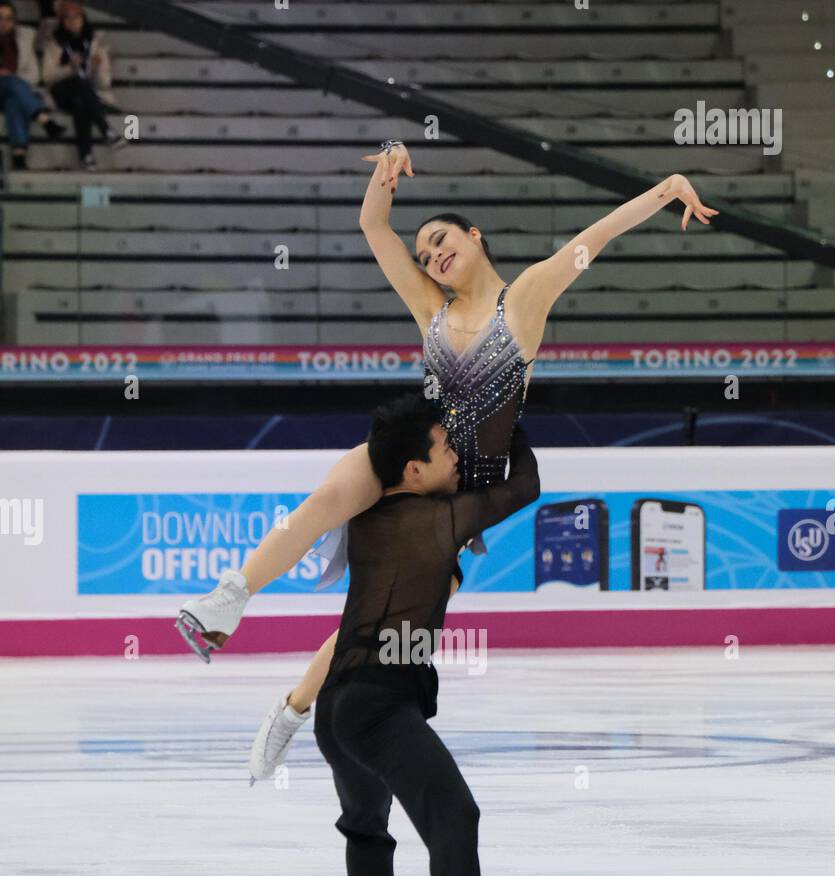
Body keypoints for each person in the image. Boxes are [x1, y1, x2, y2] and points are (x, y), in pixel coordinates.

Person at [177, 140, 717, 773]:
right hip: (411, 447)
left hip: (459, 492)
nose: (433, 255)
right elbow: (373, 227)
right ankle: (228, 597)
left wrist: (665, 190)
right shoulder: (428, 308)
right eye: (426, 253)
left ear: (475, 235)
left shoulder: (524, 299)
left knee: (375, 621)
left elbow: (589, 241)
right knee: (326, 499)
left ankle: (291, 711)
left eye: (442, 240)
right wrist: (389, 166)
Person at [312, 393, 539, 876]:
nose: (458, 454)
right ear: (413, 470)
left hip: (336, 710)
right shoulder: (444, 519)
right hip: (380, 706)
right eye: (446, 448)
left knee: (365, 827)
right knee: (455, 818)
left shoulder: (367, 518)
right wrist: (505, 419)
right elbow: (527, 485)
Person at [41, 1, 121, 169]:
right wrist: (69, 68)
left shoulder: (95, 44)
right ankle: (106, 129)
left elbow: (104, 83)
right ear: (62, 21)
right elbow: (47, 77)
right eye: (67, 18)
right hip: (61, 90)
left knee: (81, 104)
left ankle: (86, 156)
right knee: (78, 82)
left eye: (76, 16)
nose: (73, 21)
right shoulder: (55, 43)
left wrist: (97, 68)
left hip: (87, 93)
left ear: (83, 18)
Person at [0, 1, 64, 171]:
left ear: (14, 21)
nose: (4, 22)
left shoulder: (26, 38)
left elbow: (34, 75)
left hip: (14, 91)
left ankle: (19, 156)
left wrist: (11, 78)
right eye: (0, 18)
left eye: (8, 18)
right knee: (12, 83)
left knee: (13, 101)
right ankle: (45, 120)